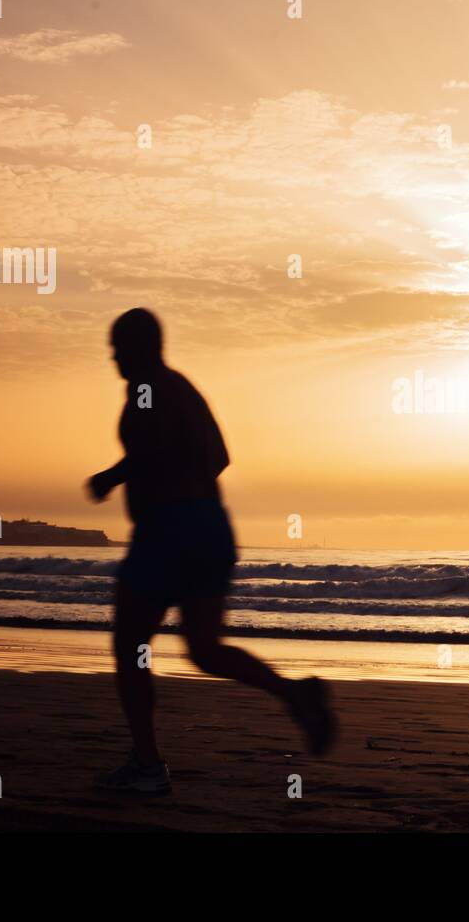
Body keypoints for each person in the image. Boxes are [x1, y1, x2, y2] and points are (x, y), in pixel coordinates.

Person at [87, 308, 335, 793]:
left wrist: (113, 478)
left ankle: (148, 766)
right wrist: (190, 494)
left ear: (140, 346)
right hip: (209, 527)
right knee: (204, 649)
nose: (113, 356)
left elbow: (154, 450)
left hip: (167, 532)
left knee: (129, 645)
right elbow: (220, 457)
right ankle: (295, 694)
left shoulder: (147, 389)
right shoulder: (184, 389)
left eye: (118, 346)